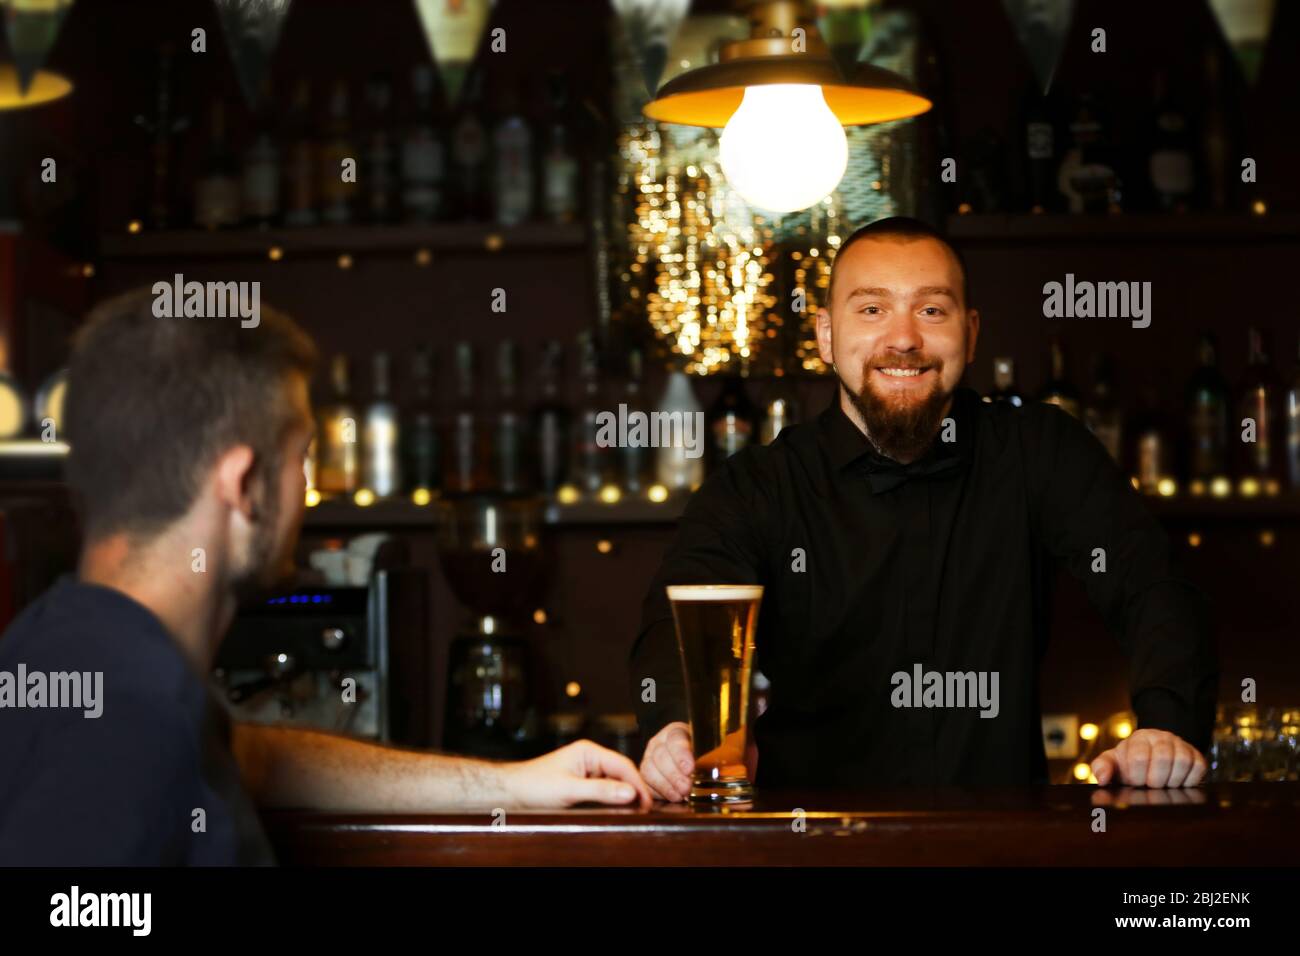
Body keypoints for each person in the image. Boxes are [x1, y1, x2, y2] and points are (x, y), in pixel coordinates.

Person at [0, 289, 650, 866]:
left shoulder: (91, 660)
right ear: (246, 485)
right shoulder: (122, 715)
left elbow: (255, 758)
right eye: (301, 458)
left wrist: (510, 785)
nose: (309, 490)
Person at [631, 217, 1216, 801]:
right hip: (806, 851)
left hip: (1002, 850)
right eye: (872, 310)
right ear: (827, 335)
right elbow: (681, 616)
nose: (904, 338)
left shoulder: (1041, 451)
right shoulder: (758, 484)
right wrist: (677, 727)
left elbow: (1151, 585)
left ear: (972, 332)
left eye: (932, 310)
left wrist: (1166, 725)